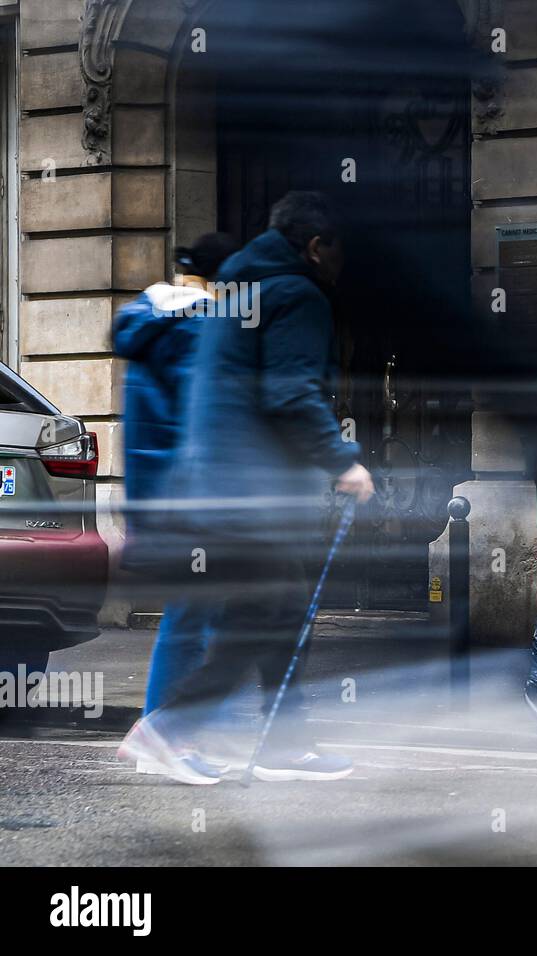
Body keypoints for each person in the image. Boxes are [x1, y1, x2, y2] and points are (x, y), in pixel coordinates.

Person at [118, 192, 375, 785]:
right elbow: (286, 393)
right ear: (316, 247)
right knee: (251, 619)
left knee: (274, 614)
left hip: (213, 490)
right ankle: (168, 730)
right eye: (341, 251)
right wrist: (342, 460)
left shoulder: (236, 289)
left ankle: (280, 742)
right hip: (245, 495)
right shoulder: (296, 295)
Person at [112, 233, 240, 735]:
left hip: (161, 497)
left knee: (195, 616)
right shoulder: (199, 326)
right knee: (199, 617)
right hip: (196, 500)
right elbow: (207, 423)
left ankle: (185, 728)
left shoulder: (153, 320)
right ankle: (166, 731)